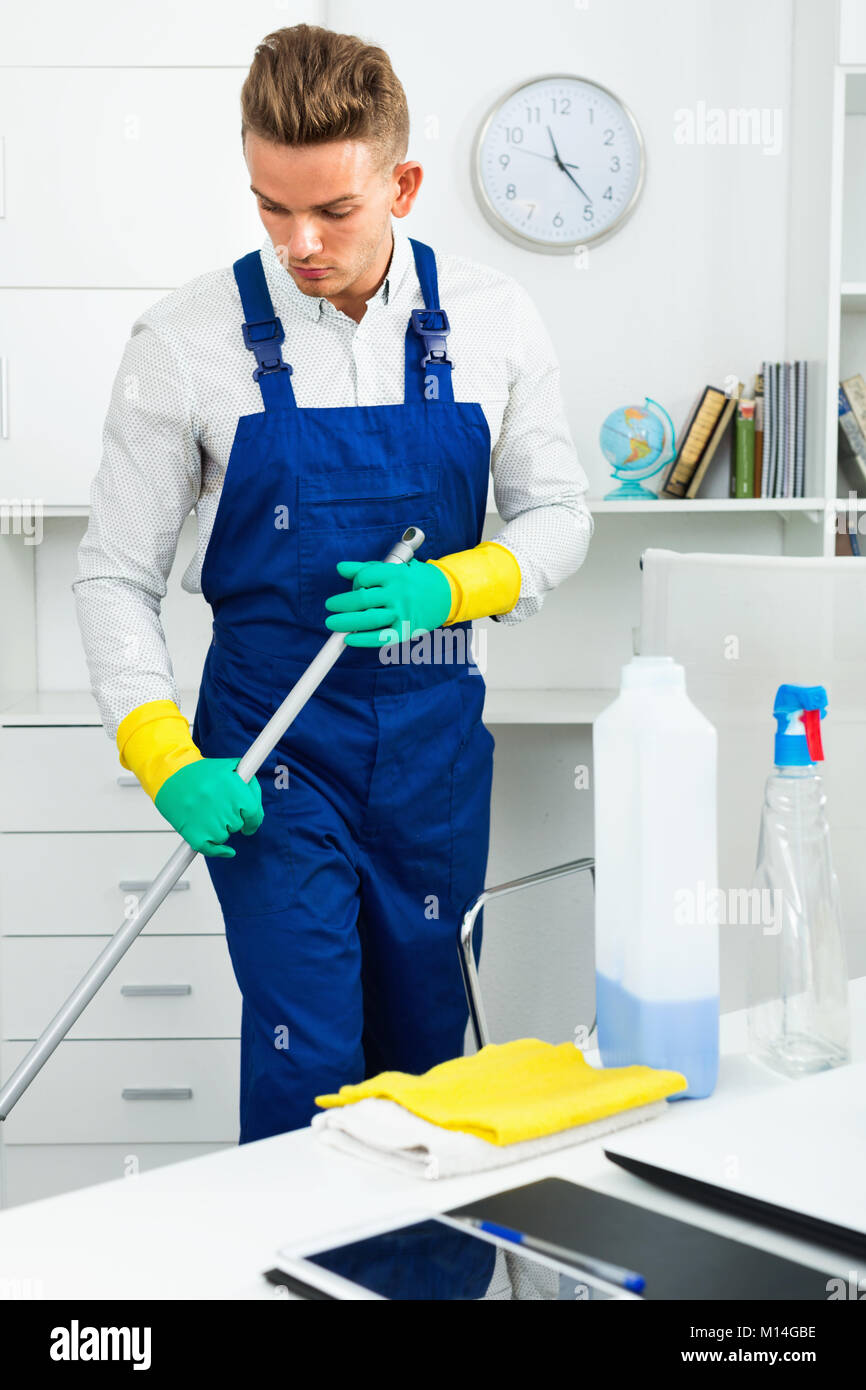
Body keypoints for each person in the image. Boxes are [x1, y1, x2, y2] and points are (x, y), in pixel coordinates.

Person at [73, 23, 593, 1144]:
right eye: (270, 204)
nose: (298, 240)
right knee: (306, 1052)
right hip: (270, 760)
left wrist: (456, 585)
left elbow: (560, 513)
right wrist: (165, 753)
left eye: (333, 210)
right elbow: (114, 573)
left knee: (426, 1061)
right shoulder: (182, 340)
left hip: (433, 762)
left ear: (399, 182)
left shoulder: (494, 318)